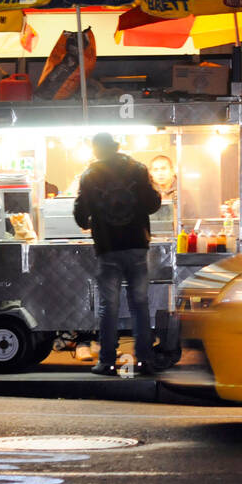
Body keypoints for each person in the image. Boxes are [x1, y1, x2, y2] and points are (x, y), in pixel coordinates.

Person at [73, 132, 162, 376]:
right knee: (140, 304)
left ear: (96, 150)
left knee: (108, 306)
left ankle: (107, 362)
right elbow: (153, 203)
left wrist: (91, 221)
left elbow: (80, 214)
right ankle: (145, 360)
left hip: (108, 247)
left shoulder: (90, 174)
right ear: (116, 146)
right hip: (136, 245)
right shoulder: (138, 169)